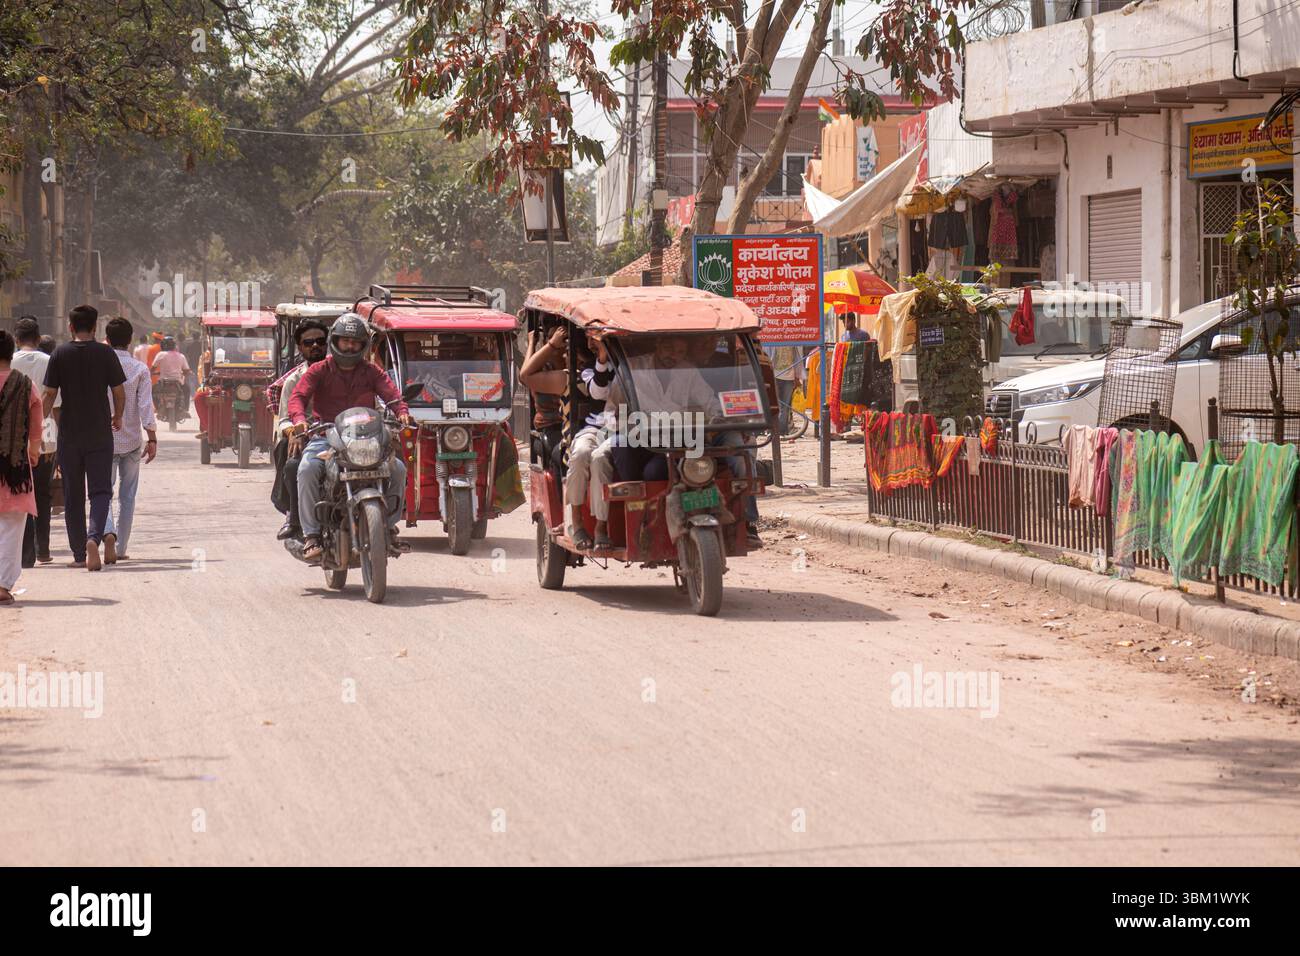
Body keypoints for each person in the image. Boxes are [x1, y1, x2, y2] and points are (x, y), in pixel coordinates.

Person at [287, 314, 410, 563]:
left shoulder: (371, 371)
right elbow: (298, 397)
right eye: (345, 342)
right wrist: (299, 418)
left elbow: (392, 394)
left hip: (367, 438)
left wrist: (403, 413)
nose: (350, 347)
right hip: (327, 437)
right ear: (335, 342)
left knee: (397, 468)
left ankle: (389, 527)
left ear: (363, 345)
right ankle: (311, 535)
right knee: (307, 468)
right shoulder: (319, 370)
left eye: (355, 342)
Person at [42, 304, 126, 571]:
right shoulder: (106, 353)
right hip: (100, 433)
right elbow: (119, 392)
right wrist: (118, 416)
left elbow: (49, 395)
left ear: (70, 327)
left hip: (69, 434)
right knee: (101, 490)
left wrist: (38, 424)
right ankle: (95, 538)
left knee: (73, 494)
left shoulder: (59, 354)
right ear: (95, 327)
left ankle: (80, 553)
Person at [519, 326, 615, 550]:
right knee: (580, 453)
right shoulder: (568, 376)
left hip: (616, 432)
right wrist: (548, 344)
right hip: (568, 433)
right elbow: (525, 376)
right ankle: (576, 521)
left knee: (600, 459)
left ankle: (601, 526)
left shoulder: (619, 369)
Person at [266, 319, 329, 540]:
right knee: (292, 461)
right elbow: (285, 419)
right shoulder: (293, 380)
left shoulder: (341, 371)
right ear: (300, 347)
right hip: (308, 435)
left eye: (320, 341)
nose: (315, 346)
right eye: (309, 342)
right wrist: (295, 432)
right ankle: (294, 517)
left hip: (342, 433)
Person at [102, 317, 157, 563]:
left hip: (103, 441)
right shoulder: (139, 369)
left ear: (107, 339)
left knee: (102, 492)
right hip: (132, 441)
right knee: (127, 495)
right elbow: (146, 407)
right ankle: (121, 547)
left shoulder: (98, 368)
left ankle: (107, 533)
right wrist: (152, 437)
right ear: (130, 340)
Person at [0, 330, 45, 603]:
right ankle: (3, 585)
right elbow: (37, 421)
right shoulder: (25, 384)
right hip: (15, 468)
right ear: (11, 351)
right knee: (13, 528)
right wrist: (33, 450)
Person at [12, 317, 57, 566]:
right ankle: (44, 550)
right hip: (47, 436)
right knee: (42, 494)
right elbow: (56, 402)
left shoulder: (8, 363)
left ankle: (25, 555)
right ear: (38, 339)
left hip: (14, 440)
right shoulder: (49, 361)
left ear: (16, 339)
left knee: (20, 494)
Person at [765, 343, 805, 435]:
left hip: (789, 378)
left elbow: (797, 359)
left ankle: (781, 430)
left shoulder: (792, 340)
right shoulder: (774, 339)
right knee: (775, 404)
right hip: (774, 376)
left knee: (785, 406)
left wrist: (797, 377)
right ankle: (772, 429)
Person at [151, 335, 191, 419]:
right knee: (187, 389)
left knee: (153, 391)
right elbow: (186, 371)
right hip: (178, 382)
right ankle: (185, 410)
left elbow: (152, 368)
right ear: (174, 345)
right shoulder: (181, 356)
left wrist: (152, 373)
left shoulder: (160, 354)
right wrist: (186, 373)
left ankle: (158, 409)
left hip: (163, 383)